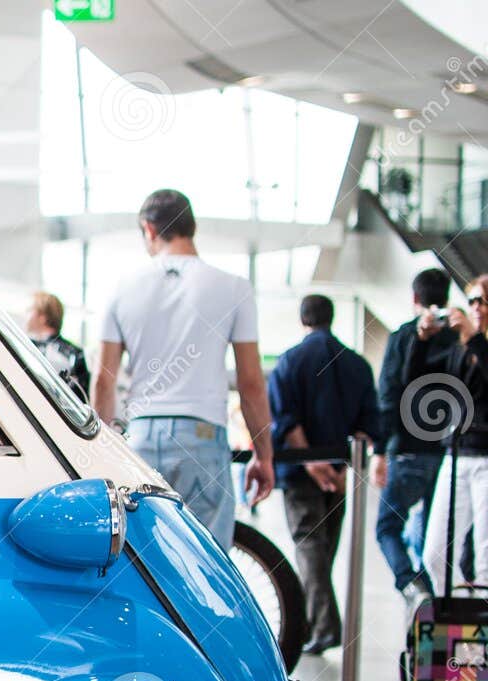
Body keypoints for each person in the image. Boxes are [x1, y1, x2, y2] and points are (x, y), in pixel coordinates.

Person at [93, 189, 274, 550]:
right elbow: (252, 383)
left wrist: (103, 449)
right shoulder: (234, 287)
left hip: (141, 435)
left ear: (148, 229)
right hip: (203, 437)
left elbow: (104, 380)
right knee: (203, 563)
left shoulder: (122, 288)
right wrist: (263, 455)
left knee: (142, 560)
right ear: (192, 228)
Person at [268, 295, 379, 655]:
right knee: (323, 550)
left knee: (309, 548)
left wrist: (313, 465)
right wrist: (341, 470)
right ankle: (317, 623)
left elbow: (285, 419)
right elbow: (368, 424)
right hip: (341, 475)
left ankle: (324, 626)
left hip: (303, 474)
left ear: (303, 319)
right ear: (331, 318)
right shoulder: (358, 365)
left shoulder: (291, 360)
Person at [374, 267, 456, 601]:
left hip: (406, 449)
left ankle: (411, 583)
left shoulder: (402, 337)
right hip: (447, 452)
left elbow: (389, 395)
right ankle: (432, 594)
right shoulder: (457, 339)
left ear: (414, 298)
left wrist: (380, 449)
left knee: (387, 526)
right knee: (434, 528)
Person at [420, 275, 488, 595]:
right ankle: (465, 628)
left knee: (486, 561)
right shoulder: (460, 345)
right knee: (435, 555)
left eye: (482, 301)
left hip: (486, 459)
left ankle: (479, 641)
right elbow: (421, 381)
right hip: (457, 453)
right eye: (471, 300)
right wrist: (422, 338)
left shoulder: (475, 344)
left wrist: (474, 339)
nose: (475, 307)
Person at [24, 291, 90, 402]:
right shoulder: (75, 353)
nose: (25, 314)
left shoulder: (28, 348)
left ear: (42, 317)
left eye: (30, 310)